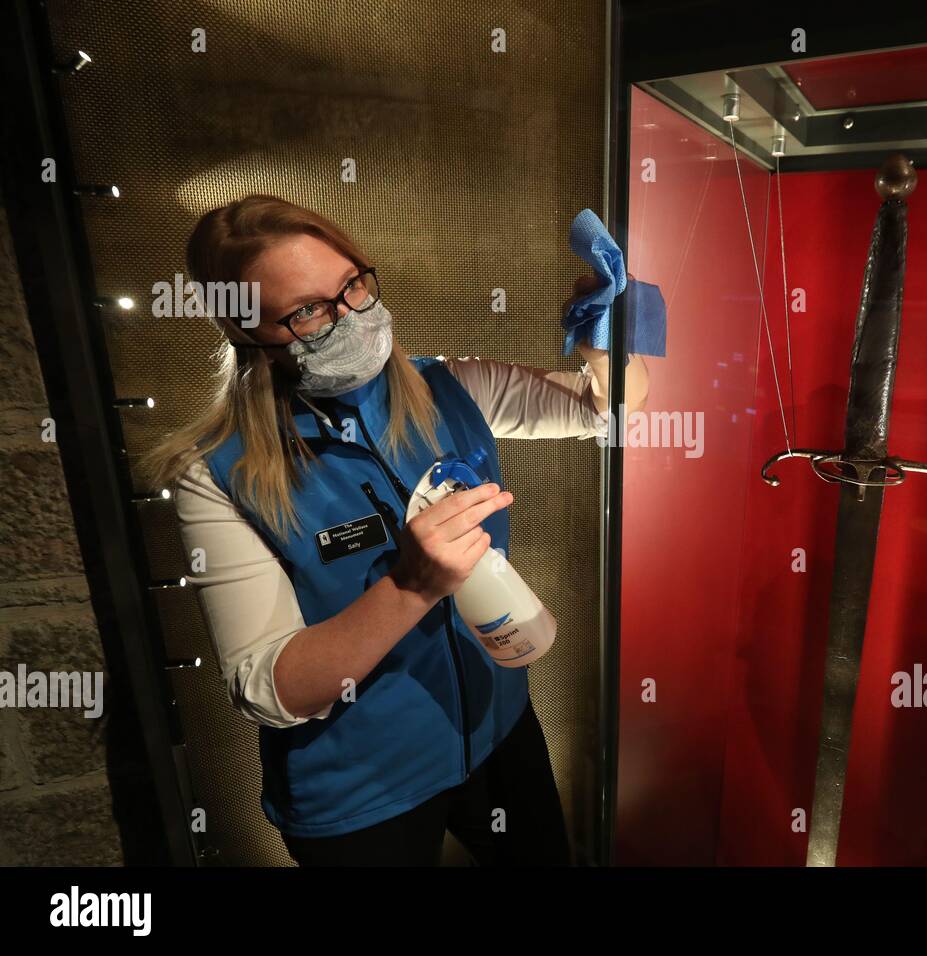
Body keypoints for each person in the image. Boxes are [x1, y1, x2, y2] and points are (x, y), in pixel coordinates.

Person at [141, 194, 649, 866]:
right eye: (307, 311)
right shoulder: (217, 472)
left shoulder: (451, 389)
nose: (348, 316)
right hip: (359, 790)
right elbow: (268, 688)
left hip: (494, 729)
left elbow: (606, 412)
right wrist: (410, 587)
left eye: (351, 284)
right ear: (247, 333)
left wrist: (602, 341)